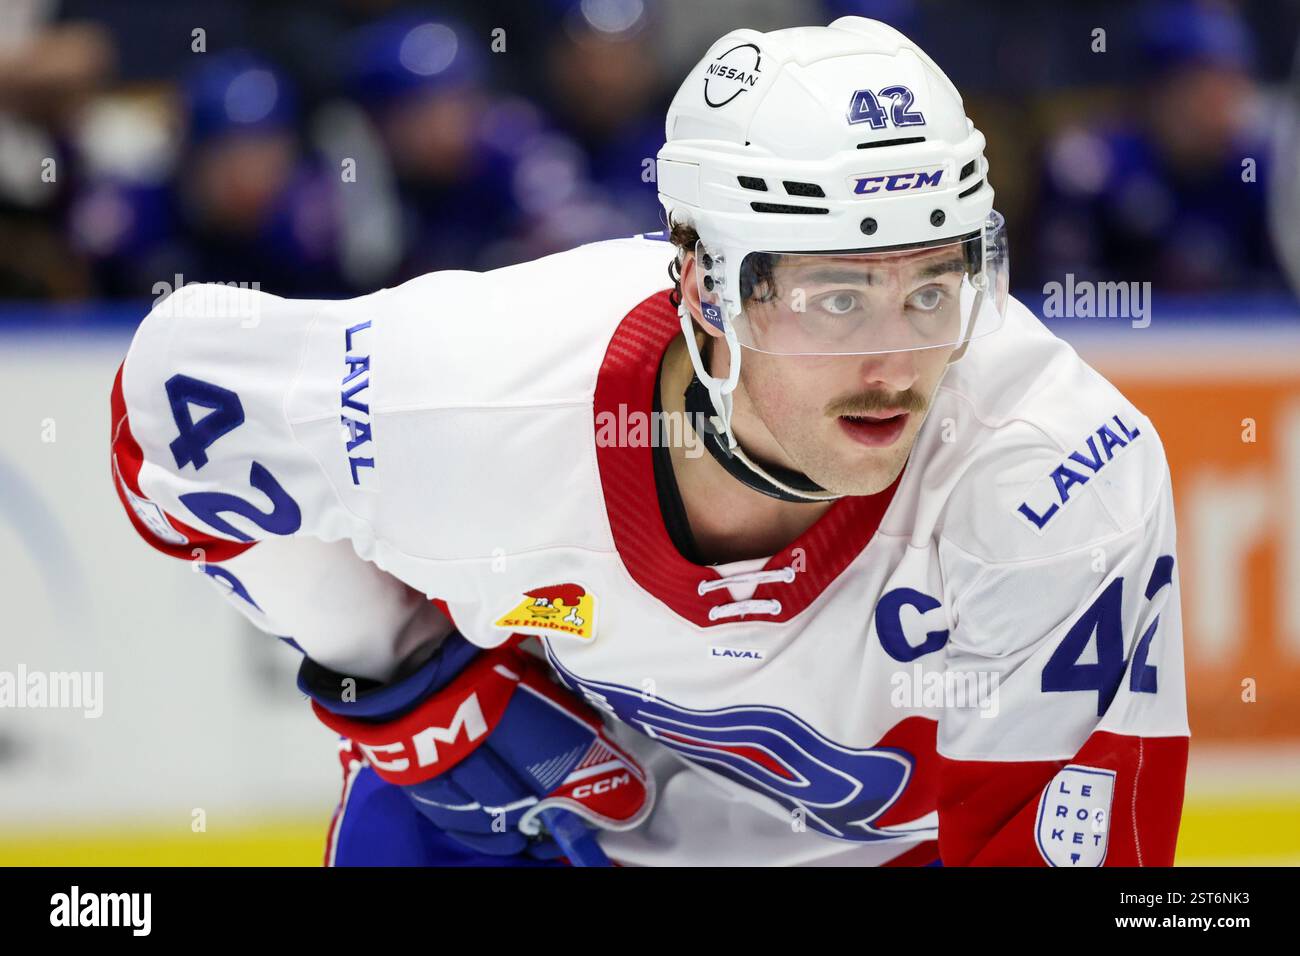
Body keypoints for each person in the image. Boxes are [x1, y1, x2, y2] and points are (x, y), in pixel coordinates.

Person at [109, 17, 1188, 867]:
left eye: (934, 286)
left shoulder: (1051, 474)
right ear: (705, 287)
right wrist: (411, 678)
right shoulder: (476, 382)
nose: (895, 365)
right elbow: (170, 404)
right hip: (528, 836)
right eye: (835, 296)